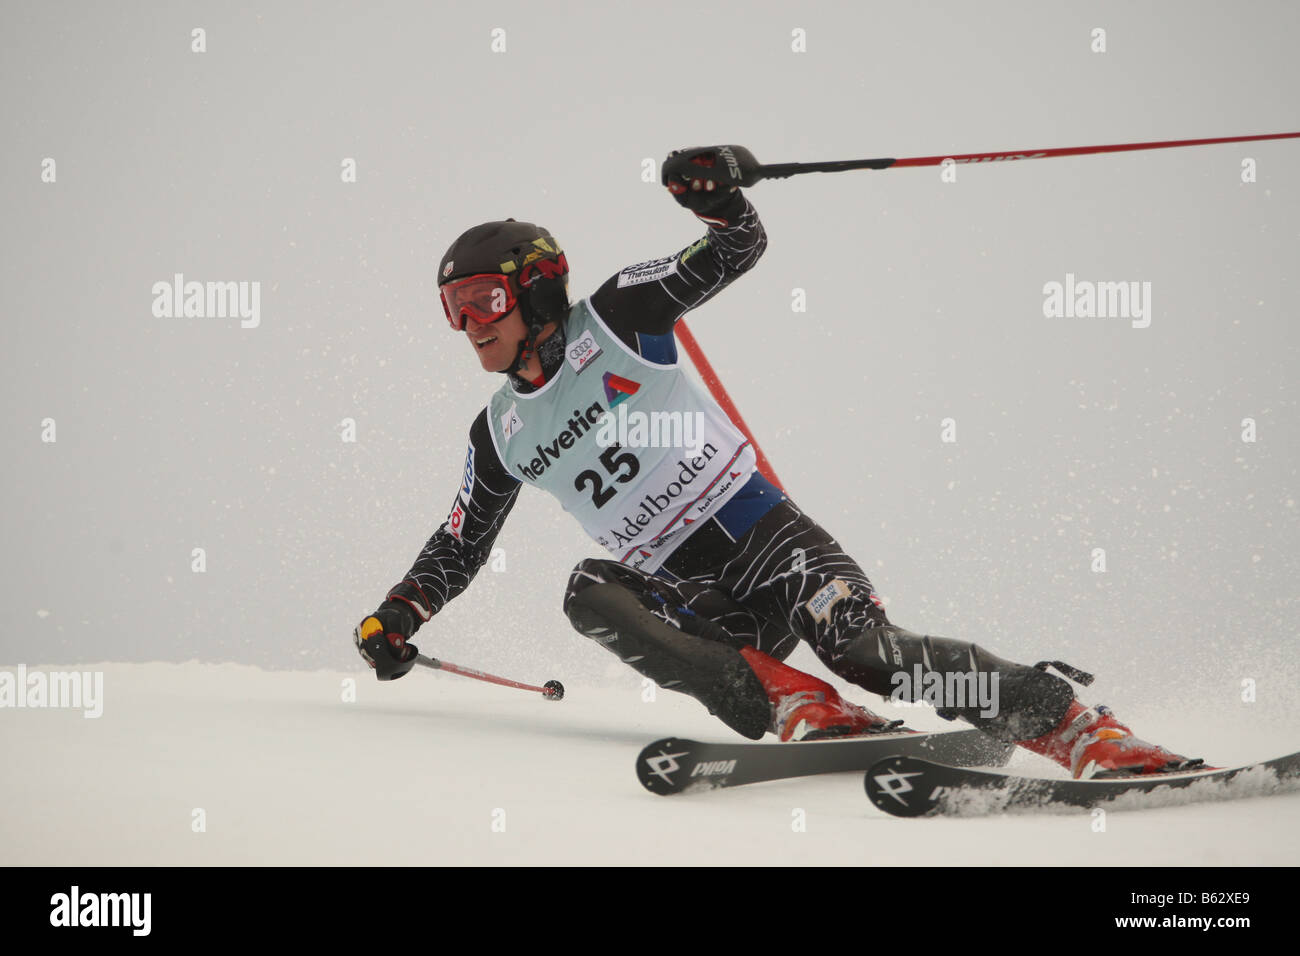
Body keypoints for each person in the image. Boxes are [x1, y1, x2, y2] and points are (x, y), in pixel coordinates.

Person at [354, 146, 1200, 779]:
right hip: (695, 598)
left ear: (535, 287)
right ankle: (796, 702)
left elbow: (734, 250)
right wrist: (399, 617)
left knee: (867, 650)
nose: (469, 325)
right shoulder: (496, 431)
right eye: (452, 310)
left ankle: (1081, 731)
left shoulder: (617, 314)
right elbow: (460, 543)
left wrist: (718, 199)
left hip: (768, 537)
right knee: (587, 589)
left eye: (483, 301)